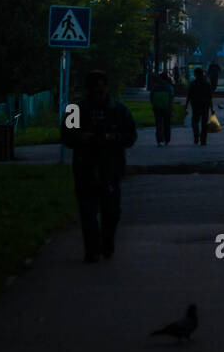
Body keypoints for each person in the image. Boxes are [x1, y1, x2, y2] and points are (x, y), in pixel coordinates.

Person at [60, 70, 137, 263]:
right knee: (88, 211)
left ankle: (107, 244)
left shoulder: (119, 110)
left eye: (102, 91)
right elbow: (66, 136)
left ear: (107, 89)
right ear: (89, 90)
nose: (99, 95)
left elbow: (130, 136)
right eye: (95, 91)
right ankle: (92, 250)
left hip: (110, 167)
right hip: (85, 166)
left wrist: (112, 138)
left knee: (111, 211)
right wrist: (81, 137)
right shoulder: (76, 110)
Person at [182, 67, 214, 146]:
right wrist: (212, 108)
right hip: (205, 105)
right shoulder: (207, 84)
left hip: (195, 105)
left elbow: (189, 95)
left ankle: (196, 135)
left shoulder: (193, 84)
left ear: (196, 75)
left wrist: (186, 105)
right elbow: (210, 97)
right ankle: (203, 140)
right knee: (204, 123)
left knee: (195, 122)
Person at [148, 71, 175, 147]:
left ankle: (160, 140)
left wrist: (153, 104)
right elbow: (171, 98)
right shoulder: (169, 87)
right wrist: (171, 108)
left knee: (159, 124)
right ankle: (167, 139)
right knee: (167, 124)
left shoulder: (155, 86)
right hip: (167, 107)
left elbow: (151, 97)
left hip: (157, 107)